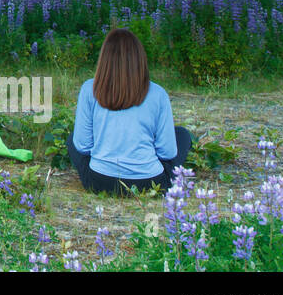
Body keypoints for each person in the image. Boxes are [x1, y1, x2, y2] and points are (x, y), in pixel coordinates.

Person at [68, 27, 193, 195]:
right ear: (139, 59)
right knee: (182, 135)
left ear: (104, 60)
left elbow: (83, 146)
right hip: (150, 183)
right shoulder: (158, 94)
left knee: (72, 139)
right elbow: (167, 151)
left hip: (100, 181)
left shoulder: (89, 89)